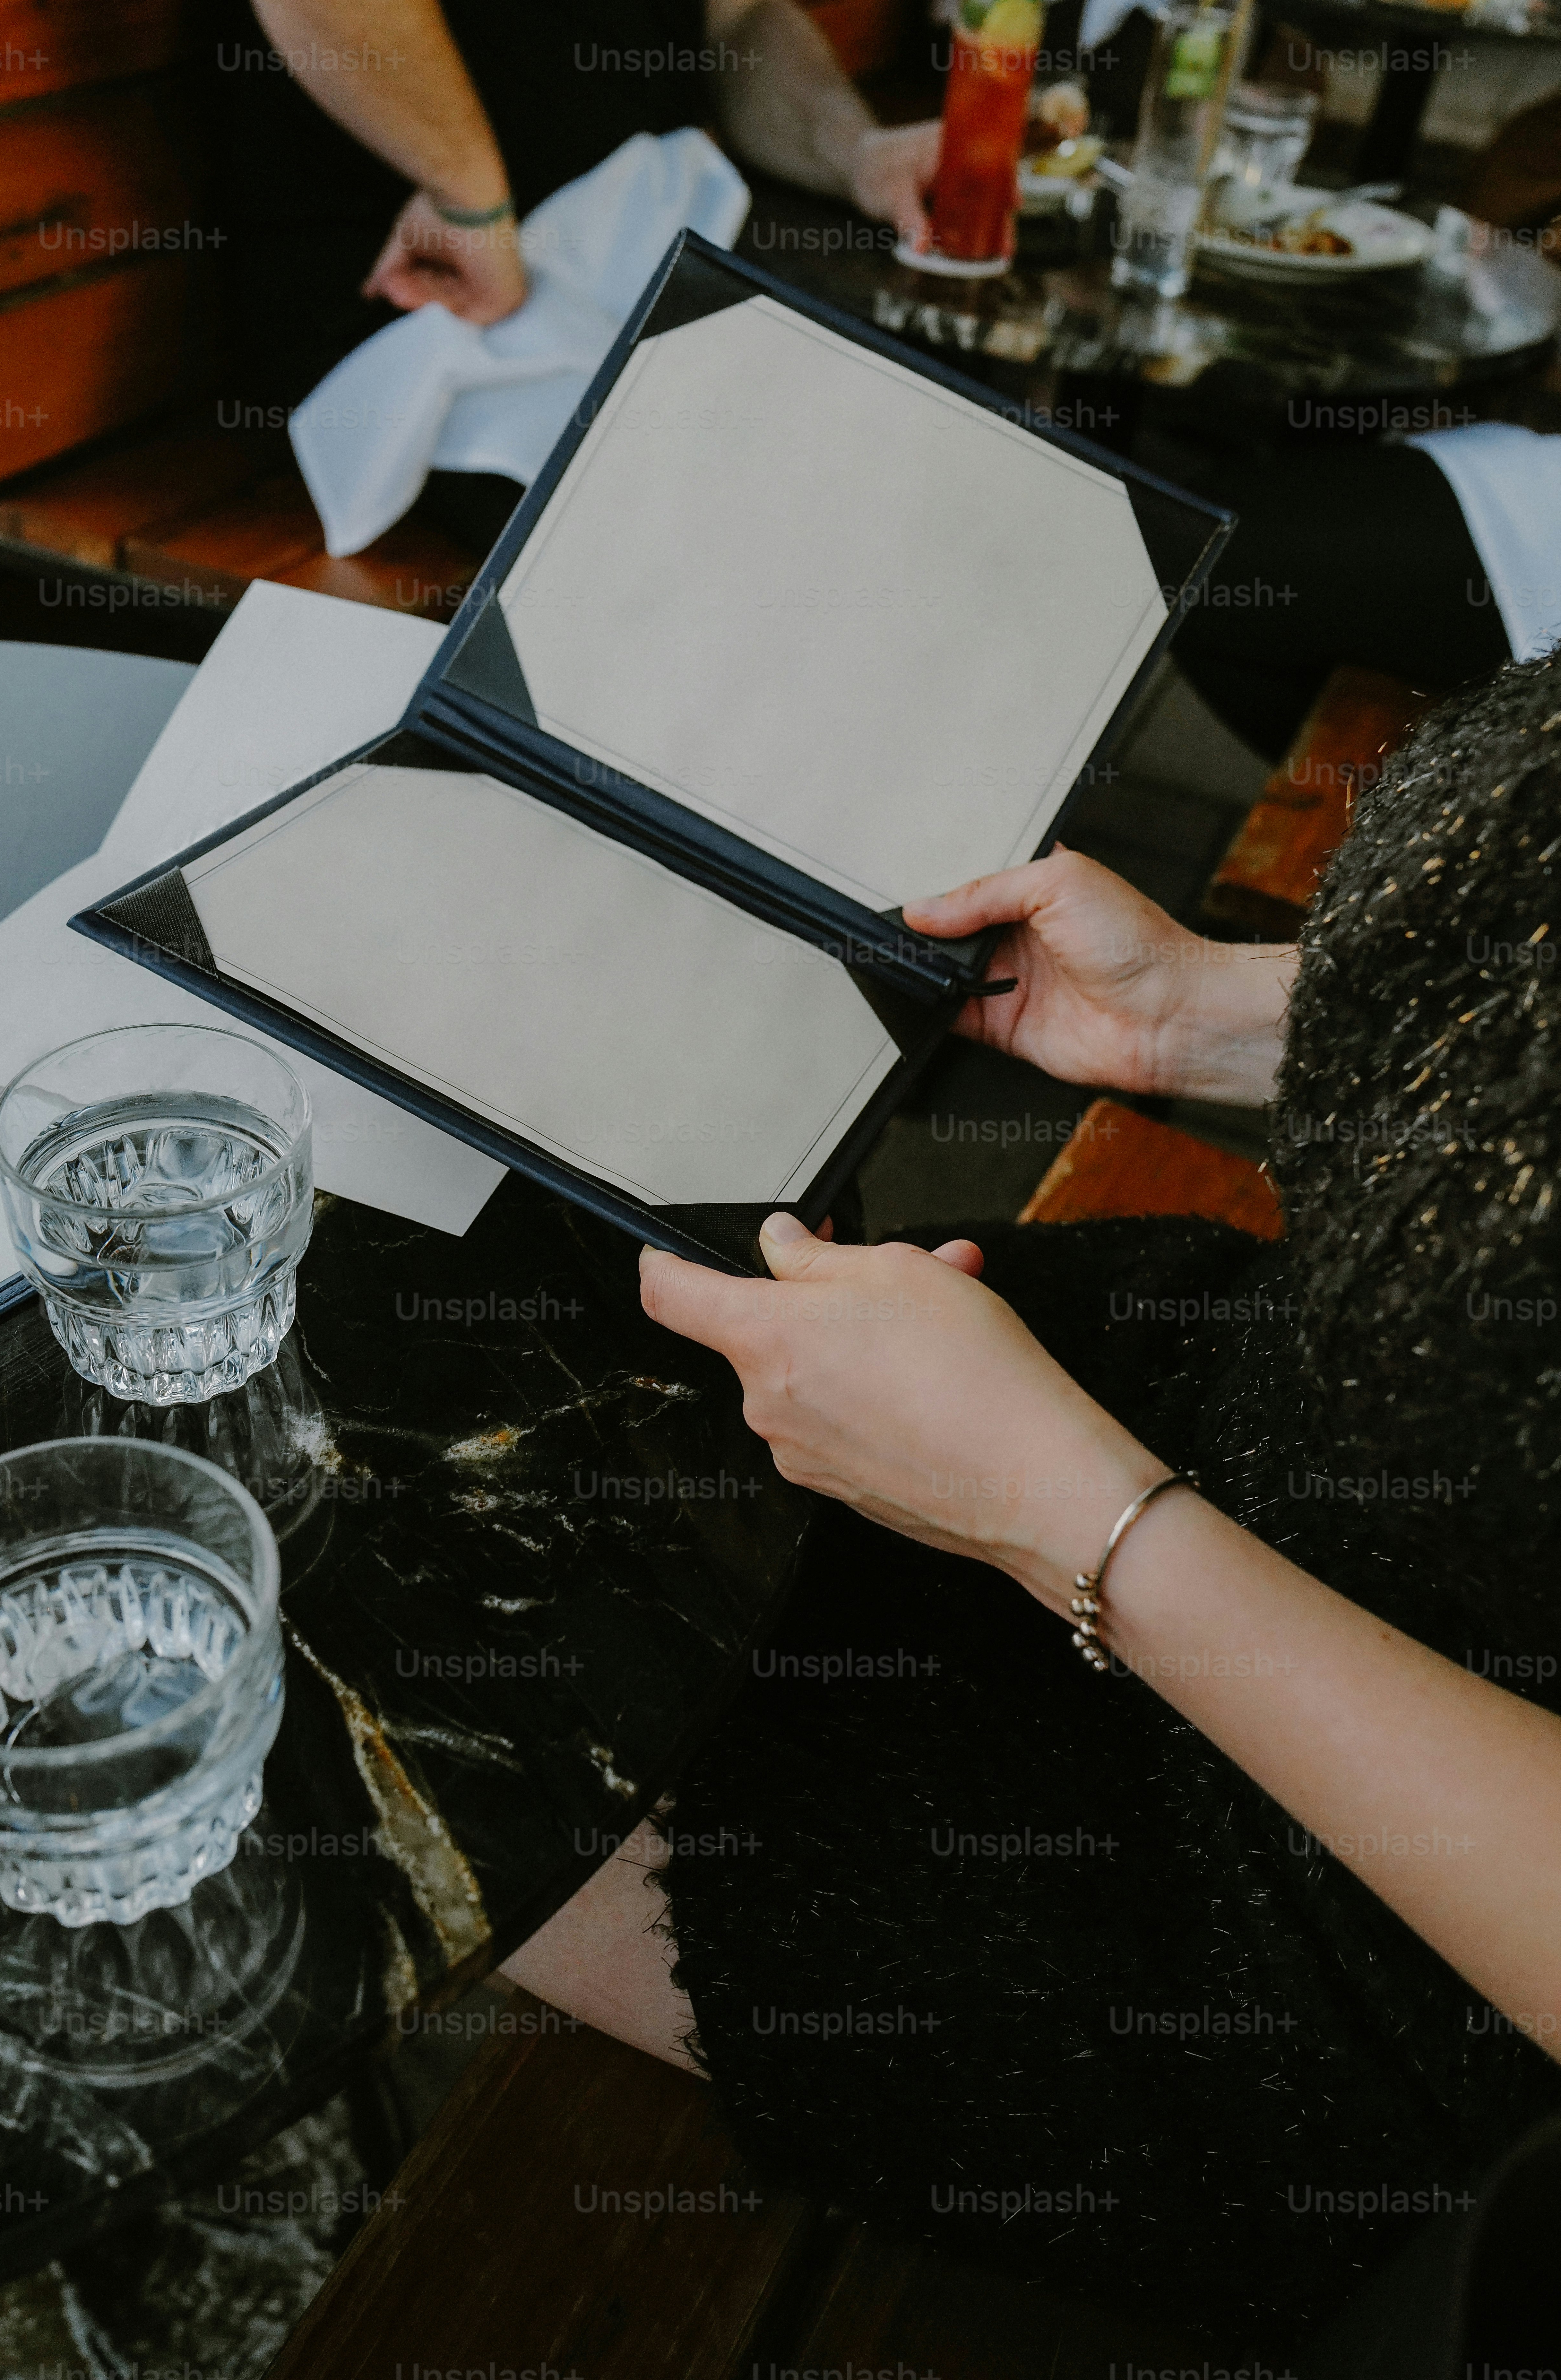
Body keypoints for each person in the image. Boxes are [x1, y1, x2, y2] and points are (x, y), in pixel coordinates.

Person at [502, 646, 1561, 2352]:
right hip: (1235, 1405)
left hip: (1345, 1928)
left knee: (402, 1708)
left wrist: (1060, 1512)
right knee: (515, 1356)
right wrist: (1222, 1013)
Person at [218, 0, 940, 400]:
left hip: (659, 271)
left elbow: (736, 20)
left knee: (925, 424)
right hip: (423, 314)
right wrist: (468, 197)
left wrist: (854, 151)